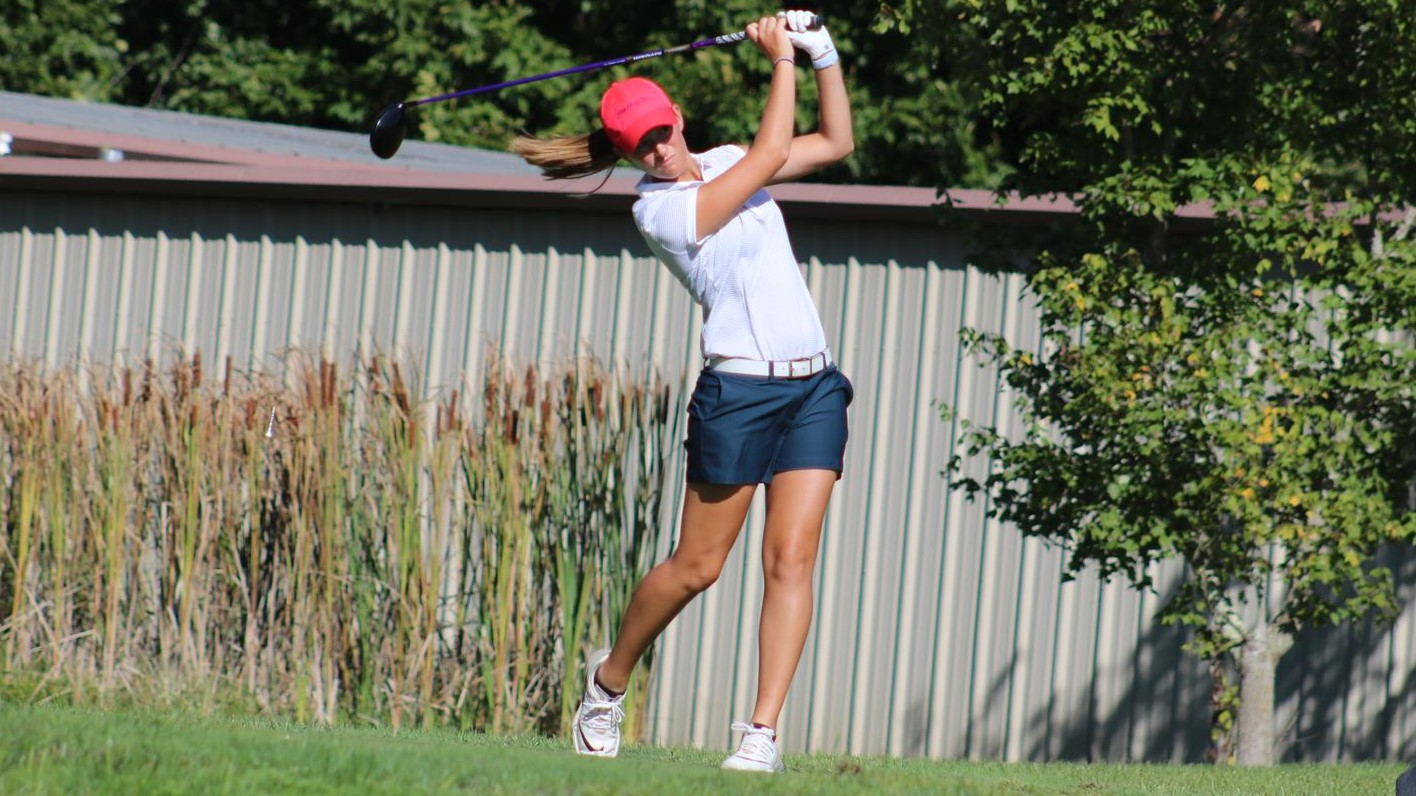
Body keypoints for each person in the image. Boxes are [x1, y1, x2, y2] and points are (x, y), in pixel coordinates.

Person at [511, 10, 853, 774]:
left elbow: (836, 142)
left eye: (663, 133)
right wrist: (781, 60)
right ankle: (607, 685)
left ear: (677, 117)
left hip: (814, 387)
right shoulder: (658, 211)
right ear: (628, 153)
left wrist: (821, 51)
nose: (661, 150)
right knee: (698, 567)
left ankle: (761, 735)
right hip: (739, 393)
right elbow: (772, 152)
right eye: (644, 145)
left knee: (791, 558)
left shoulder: (727, 158)